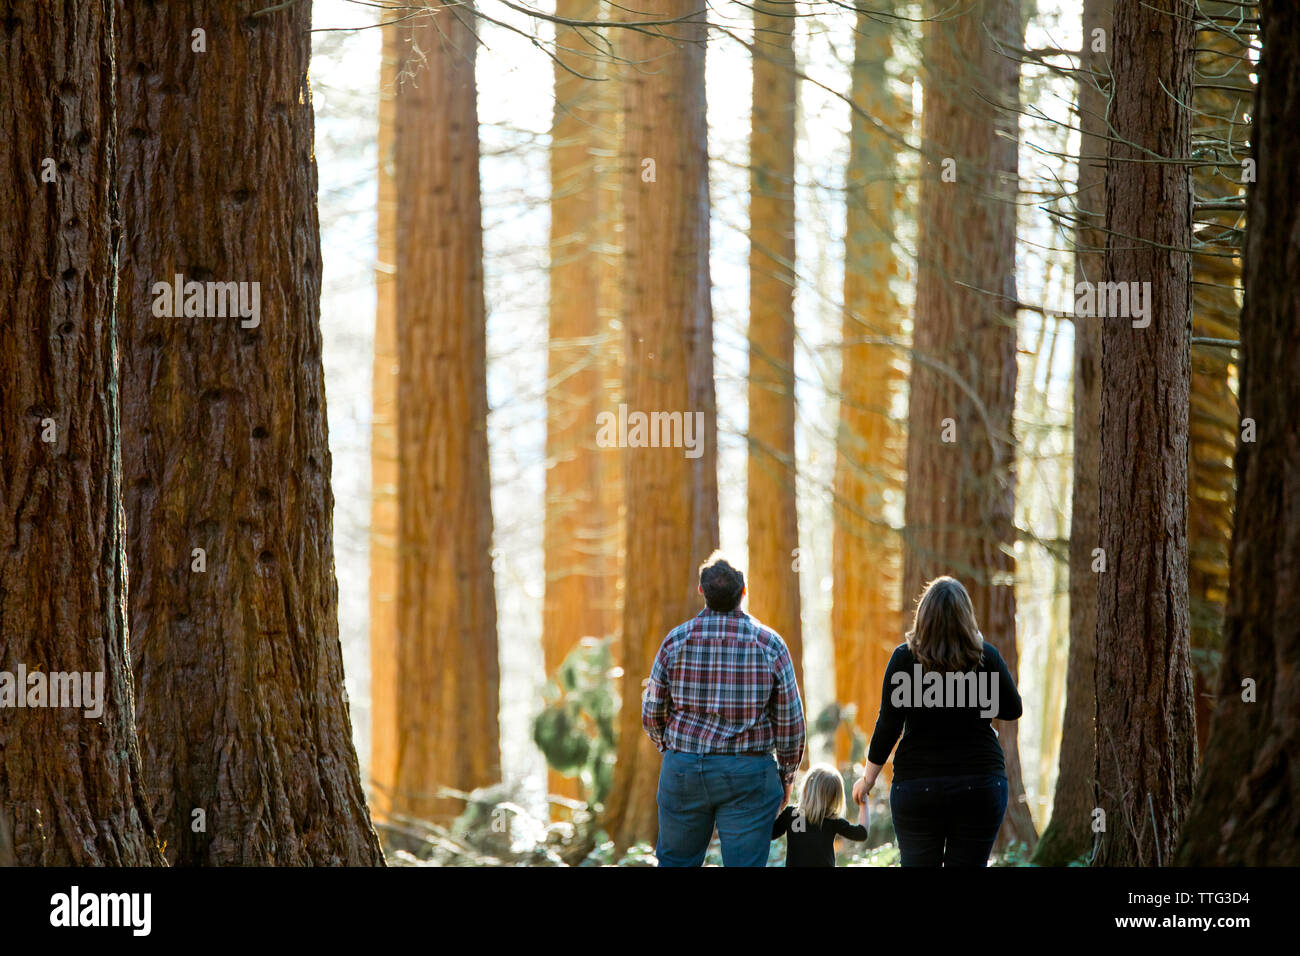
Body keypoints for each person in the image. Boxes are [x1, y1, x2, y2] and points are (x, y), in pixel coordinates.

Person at [643, 552, 806, 867]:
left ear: (701, 591)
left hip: (683, 769)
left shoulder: (674, 642)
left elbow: (651, 713)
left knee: (675, 862)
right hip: (748, 774)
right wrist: (787, 775)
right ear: (744, 592)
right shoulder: (770, 645)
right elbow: (791, 722)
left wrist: (673, 749)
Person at [852, 576, 1022, 867]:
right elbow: (1012, 708)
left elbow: (888, 726)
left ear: (924, 616)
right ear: (967, 618)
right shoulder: (984, 657)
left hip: (918, 788)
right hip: (979, 784)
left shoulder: (904, 659)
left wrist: (868, 779)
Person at [772, 763, 869, 867]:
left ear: (805, 789)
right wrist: (864, 804)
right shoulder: (832, 819)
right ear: (835, 797)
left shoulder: (791, 814)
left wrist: (778, 805)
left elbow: (770, 833)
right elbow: (861, 833)